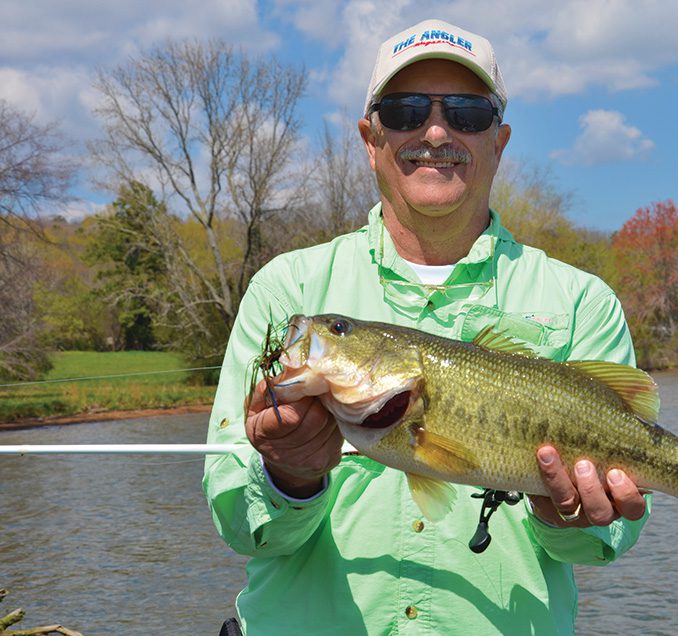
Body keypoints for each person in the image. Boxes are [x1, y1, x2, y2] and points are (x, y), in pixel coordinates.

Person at [204, 18, 651, 635]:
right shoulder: (286, 290)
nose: (436, 132)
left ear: (499, 141)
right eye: (406, 110)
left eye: (467, 113)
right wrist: (291, 476)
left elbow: (604, 542)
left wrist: (568, 517)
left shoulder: (582, 303)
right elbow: (238, 525)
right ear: (370, 138)